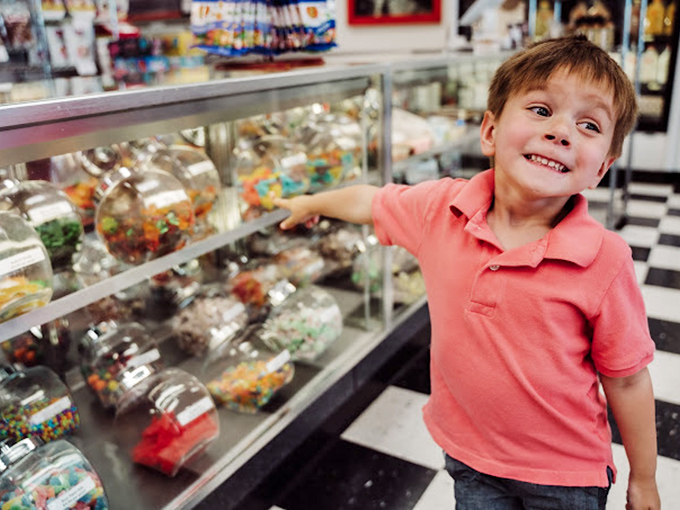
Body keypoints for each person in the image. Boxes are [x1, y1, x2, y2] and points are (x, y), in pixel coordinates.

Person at [274, 35, 660, 510]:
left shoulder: (605, 260)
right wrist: (310, 202)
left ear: (602, 166)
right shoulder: (441, 209)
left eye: (587, 124)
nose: (561, 132)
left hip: (565, 475)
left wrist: (644, 479)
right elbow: (370, 200)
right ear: (491, 132)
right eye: (541, 110)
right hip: (471, 459)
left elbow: (627, 380)